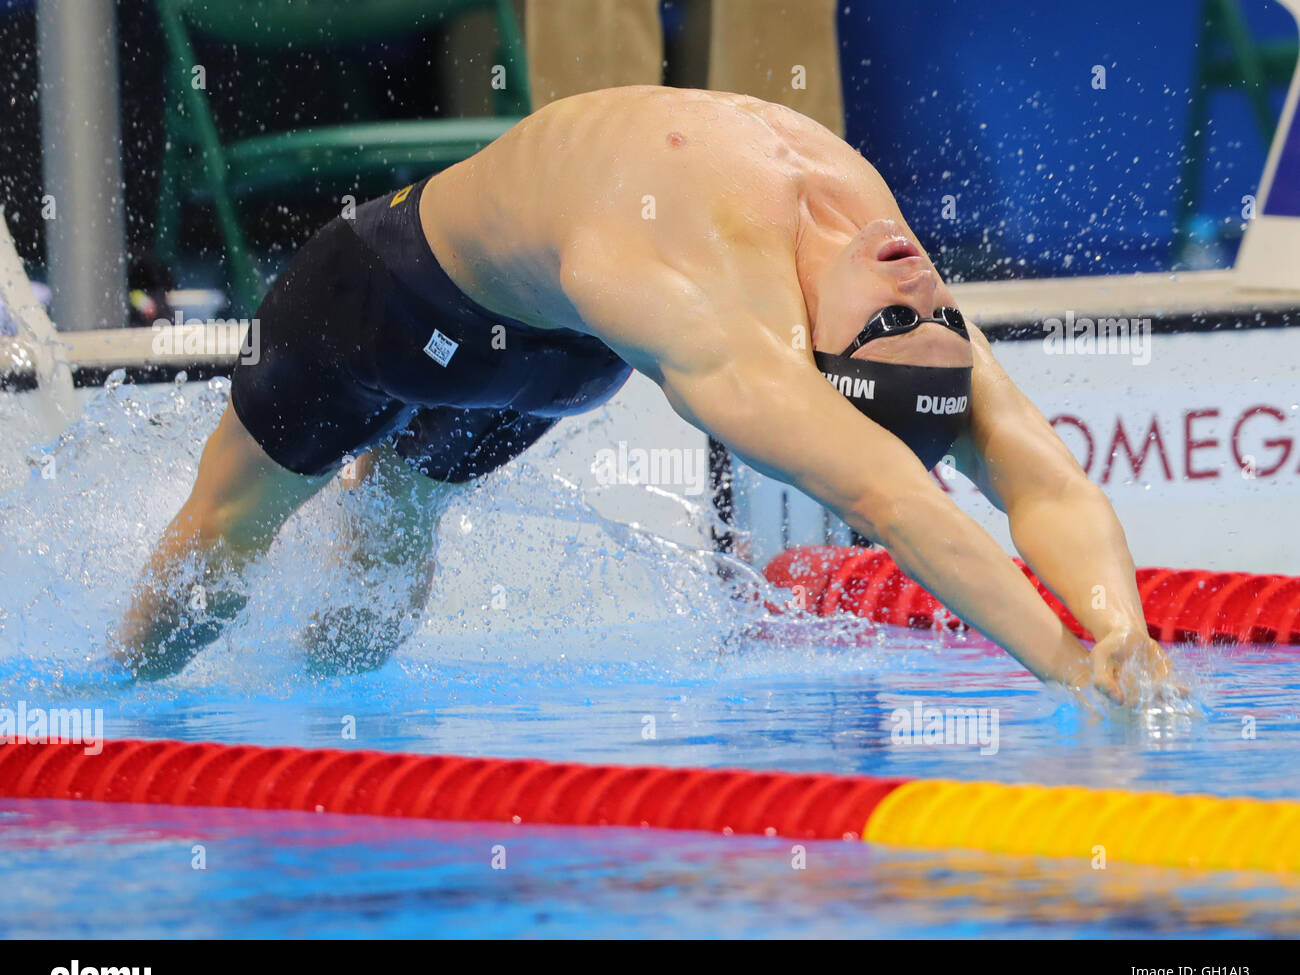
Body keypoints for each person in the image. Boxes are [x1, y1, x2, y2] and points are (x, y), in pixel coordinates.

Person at [113, 85, 1178, 703]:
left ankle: (310, 720)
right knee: (226, 531)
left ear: (819, 355)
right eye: (935, 320)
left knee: (401, 514)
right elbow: (971, 489)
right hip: (384, 305)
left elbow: (965, 486)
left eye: (902, 325)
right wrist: (1088, 649)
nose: (925, 296)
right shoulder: (858, 247)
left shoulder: (743, 328)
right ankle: (121, 688)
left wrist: (1096, 648)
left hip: (552, 351)